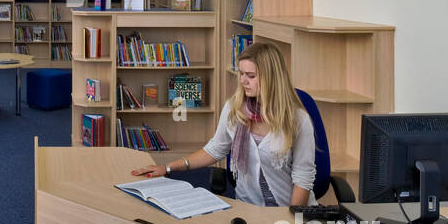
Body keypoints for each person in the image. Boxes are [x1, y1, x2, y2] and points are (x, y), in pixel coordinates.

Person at [130, 41, 317, 206]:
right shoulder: (234, 108)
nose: (243, 81)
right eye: (241, 73)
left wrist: (291, 221)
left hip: (286, 209)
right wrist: (168, 168)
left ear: (272, 78)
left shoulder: (297, 120)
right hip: (248, 207)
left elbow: (303, 178)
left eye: (251, 76)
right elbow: (214, 150)